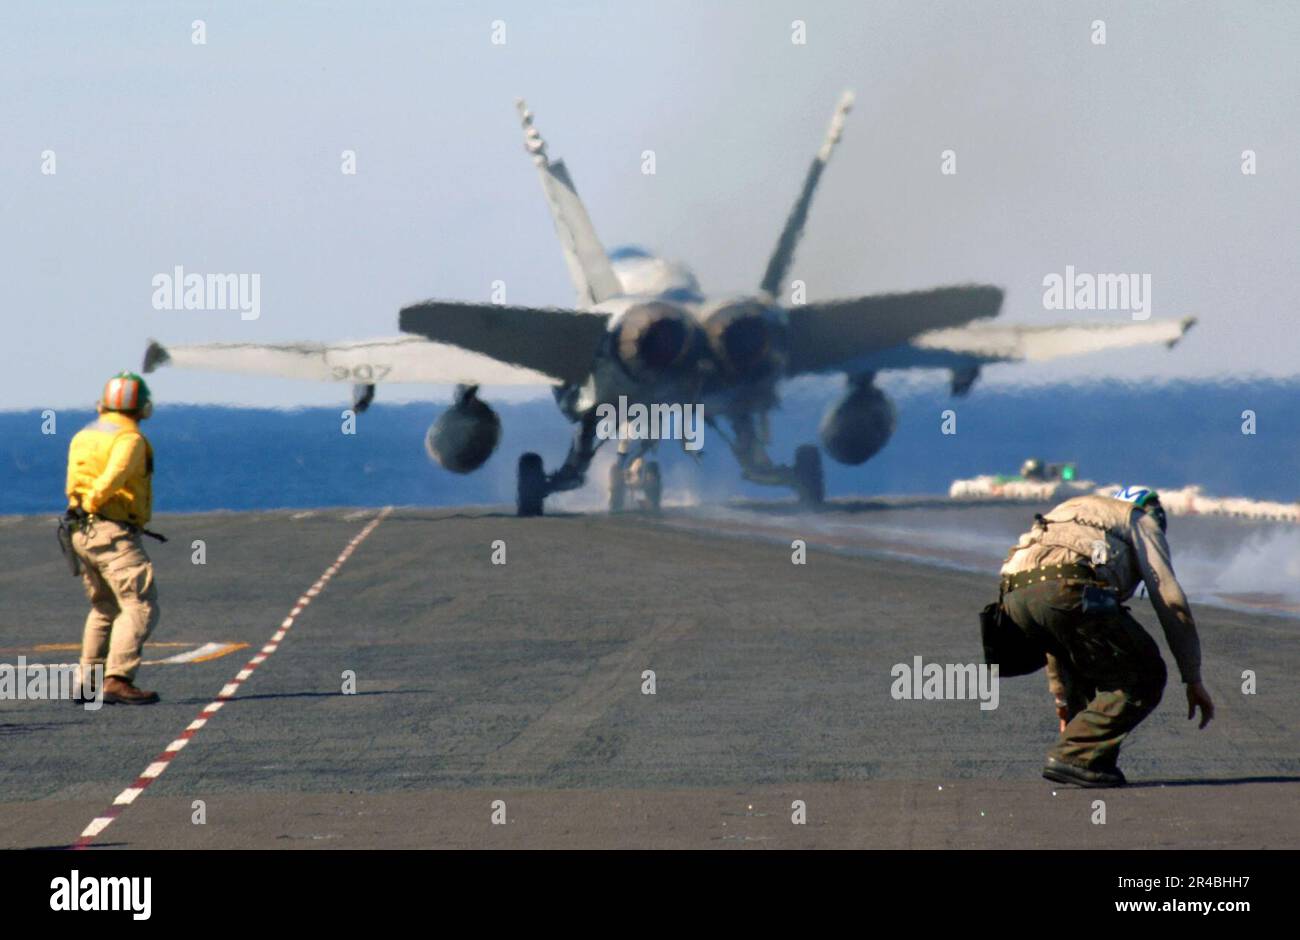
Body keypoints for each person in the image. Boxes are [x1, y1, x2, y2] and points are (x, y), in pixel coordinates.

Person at [998, 487, 1214, 786]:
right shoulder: (1138, 519)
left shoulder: (1069, 508)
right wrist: (1193, 677)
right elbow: (1170, 599)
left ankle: (1089, 758)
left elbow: (1054, 634)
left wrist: (1061, 699)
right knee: (1144, 673)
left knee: (1086, 655)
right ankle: (1074, 754)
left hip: (1012, 596)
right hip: (1067, 589)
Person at [65, 372, 163, 705]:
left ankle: (86, 683)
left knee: (104, 607)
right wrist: (96, 501)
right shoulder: (129, 439)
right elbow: (114, 476)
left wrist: (85, 505)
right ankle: (118, 678)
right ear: (141, 407)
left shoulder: (84, 434)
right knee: (140, 603)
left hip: (81, 530)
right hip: (111, 532)